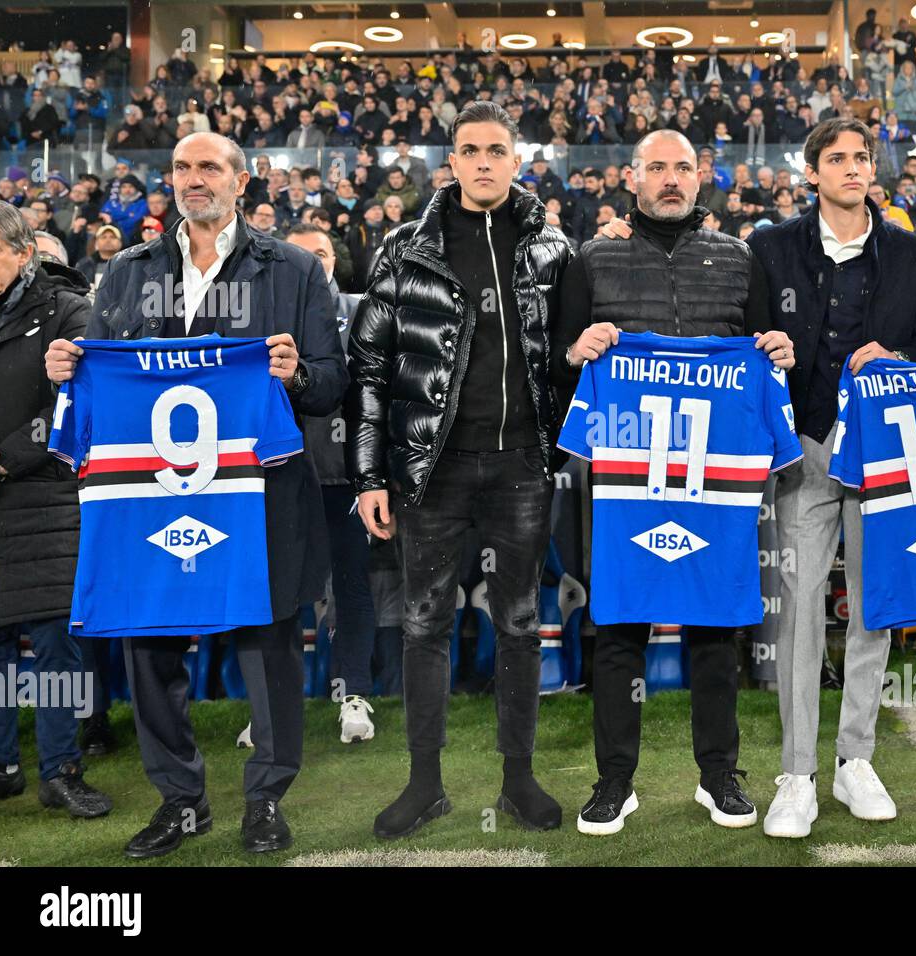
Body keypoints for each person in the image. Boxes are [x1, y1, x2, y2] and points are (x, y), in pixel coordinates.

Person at [44, 131, 347, 858]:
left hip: (262, 499)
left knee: (267, 647)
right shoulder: (124, 273)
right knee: (150, 649)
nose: (192, 178)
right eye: (180, 167)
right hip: (149, 499)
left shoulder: (297, 269)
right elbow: (100, 371)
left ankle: (266, 800)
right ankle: (180, 802)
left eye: (208, 166)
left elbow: (334, 384)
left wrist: (296, 374)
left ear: (242, 182)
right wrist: (65, 367)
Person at [554, 129, 795, 835]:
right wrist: (578, 349)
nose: (669, 178)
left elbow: (762, 348)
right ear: (632, 179)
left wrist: (776, 349)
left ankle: (718, 775)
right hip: (628, 475)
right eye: (656, 167)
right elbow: (561, 357)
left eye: (682, 167)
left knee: (715, 626)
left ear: (701, 178)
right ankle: (614, 781)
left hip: (713, 475)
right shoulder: (591, 258)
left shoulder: (738, 258)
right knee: (620, 624)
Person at [345, 102, 574, 838]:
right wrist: (369, 476)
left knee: (518, 621)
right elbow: (370, 368)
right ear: (451, 162)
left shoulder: (552, 250)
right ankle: (424, 784)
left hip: (521, 467)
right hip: (430, 471)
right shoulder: (405, 247)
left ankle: (519, 780)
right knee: (422, 625)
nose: (483, 162)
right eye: (469, 150)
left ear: (517, 160)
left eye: (496, 150)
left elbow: (570, 361)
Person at [739, 118, 916, 838]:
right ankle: (796, 773)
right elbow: (748, 337)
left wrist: (895, 353)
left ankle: (854, 758)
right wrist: (769, 347)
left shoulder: (913, 253)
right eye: (839, 159)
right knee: (797, 615)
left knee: (871, 608)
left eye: (862, 157)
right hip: (802, 448)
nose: (854, 168)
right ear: (813, 173)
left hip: (884, 451)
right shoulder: (768, 247)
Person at [0, 203, 113, 818]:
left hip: (43, 503)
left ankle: (61, 769)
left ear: (22, 252)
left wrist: (2, 462)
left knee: (54, 646)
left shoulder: (68, 309)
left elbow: (79, 405)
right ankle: (0, 764)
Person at [283, 223, 379, 740]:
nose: (312, 262)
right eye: (299, 254)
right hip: (278, 473)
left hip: (346, 475)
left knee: (350, 584)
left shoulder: (363, 311)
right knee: (282, 591)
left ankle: (355, 694)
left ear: (334, 262)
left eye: (320, 254)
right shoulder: (260, 313)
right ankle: (274, 705)